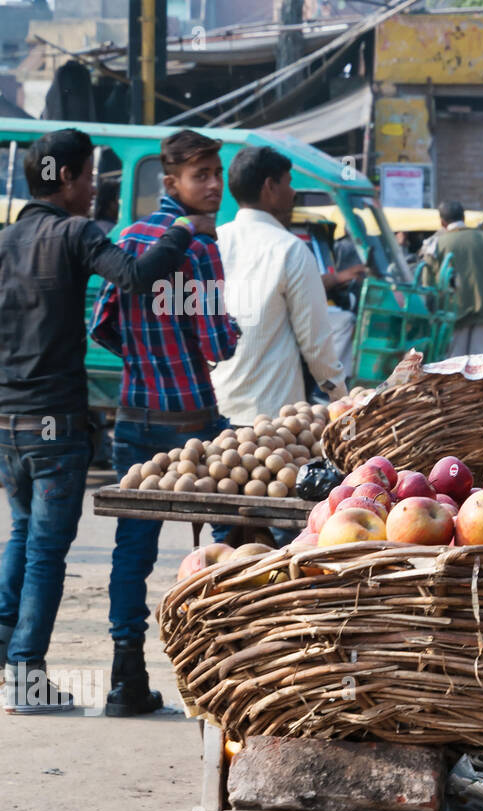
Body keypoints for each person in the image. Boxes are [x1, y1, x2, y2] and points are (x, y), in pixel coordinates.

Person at [0, 129, 204, 714]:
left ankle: (11, 653)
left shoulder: (8, 239)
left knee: (21, 536)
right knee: (43, 550)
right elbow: (137, 277)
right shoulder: (74, 233)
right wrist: (183, 230)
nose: (94, 189)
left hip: (8, 421)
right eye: (90, 176)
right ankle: (25, 678)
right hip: (54, 425)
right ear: (64, 177)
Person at [90, 129, 240, 717]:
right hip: (191, 421)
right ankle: (233, 660)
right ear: (172, 183)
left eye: (216, 174)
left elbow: (102, 324)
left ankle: (126, 677)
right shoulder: (200, 247)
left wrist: (145, 355)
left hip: (133, 416)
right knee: (232, 534)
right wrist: (228, 334)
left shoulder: (127, 237)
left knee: (132, 549)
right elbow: (217, 342)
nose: (212, 186)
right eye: (200, 176)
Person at [209, 146, 347, 428]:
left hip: (215, 408)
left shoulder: (213, 243)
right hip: (271, 423)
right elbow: (316, 342)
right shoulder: (291, 250)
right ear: (270, 187)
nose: (293, 192)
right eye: (288, 182)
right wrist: (340, 396)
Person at [428, 199, 483, 356]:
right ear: (463, 217)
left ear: (442, 222)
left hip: (452, 319)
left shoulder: (436, 243)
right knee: (481, 373)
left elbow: (428, 286)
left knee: (455, 373)